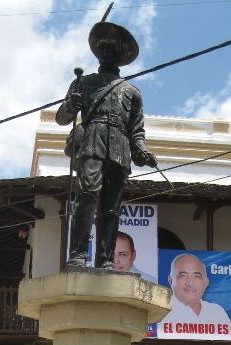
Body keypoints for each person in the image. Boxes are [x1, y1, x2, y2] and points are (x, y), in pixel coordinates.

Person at [56, 20, 157, 270]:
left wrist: (142, 151)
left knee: (111, 208)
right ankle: (78, 254)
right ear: (98, 53)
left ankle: (105, 259)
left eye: (114, 50)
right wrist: (72, 104)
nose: (107, 53)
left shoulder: (132, 92)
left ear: (121, 57)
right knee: (87, 197)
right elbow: (61, 118)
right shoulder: (83, 83)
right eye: (104, 49)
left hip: (120, 151)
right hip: (92, 142)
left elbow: (137, 131)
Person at [162, 253, 230, 326]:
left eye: (196, 276)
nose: (190, 283)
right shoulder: (160, 313)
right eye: (183, 276)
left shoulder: (217, 312)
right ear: (170, 280)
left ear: (206, 283)